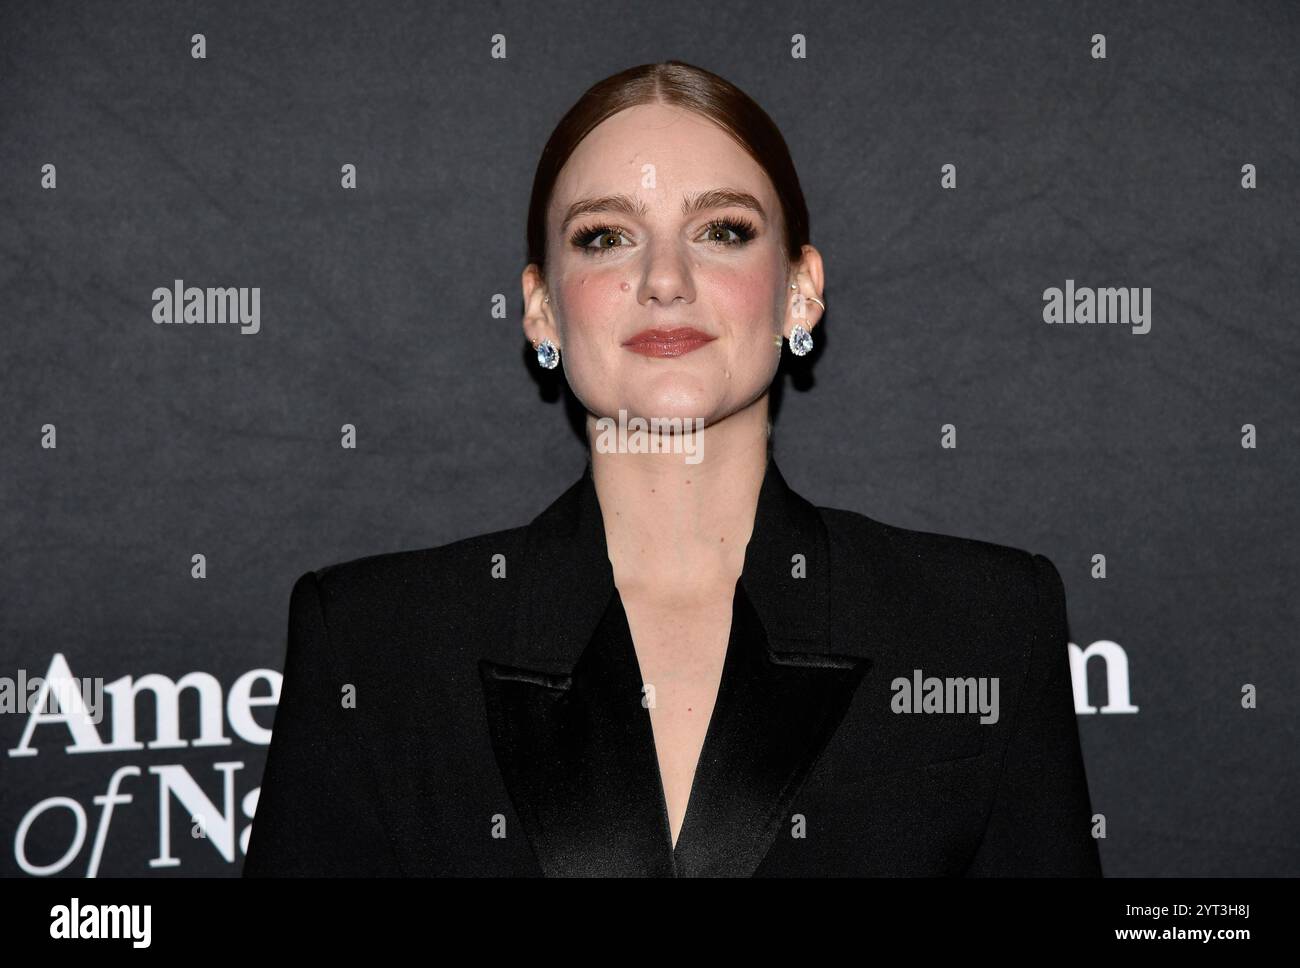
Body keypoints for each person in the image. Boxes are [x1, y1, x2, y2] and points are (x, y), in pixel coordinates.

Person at [243, 60, 1102, 877]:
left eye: (722, 230)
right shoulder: (373, 647)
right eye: (607, 236)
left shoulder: (982, 625)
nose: (665, 279)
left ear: (800, 290)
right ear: (541, 310)